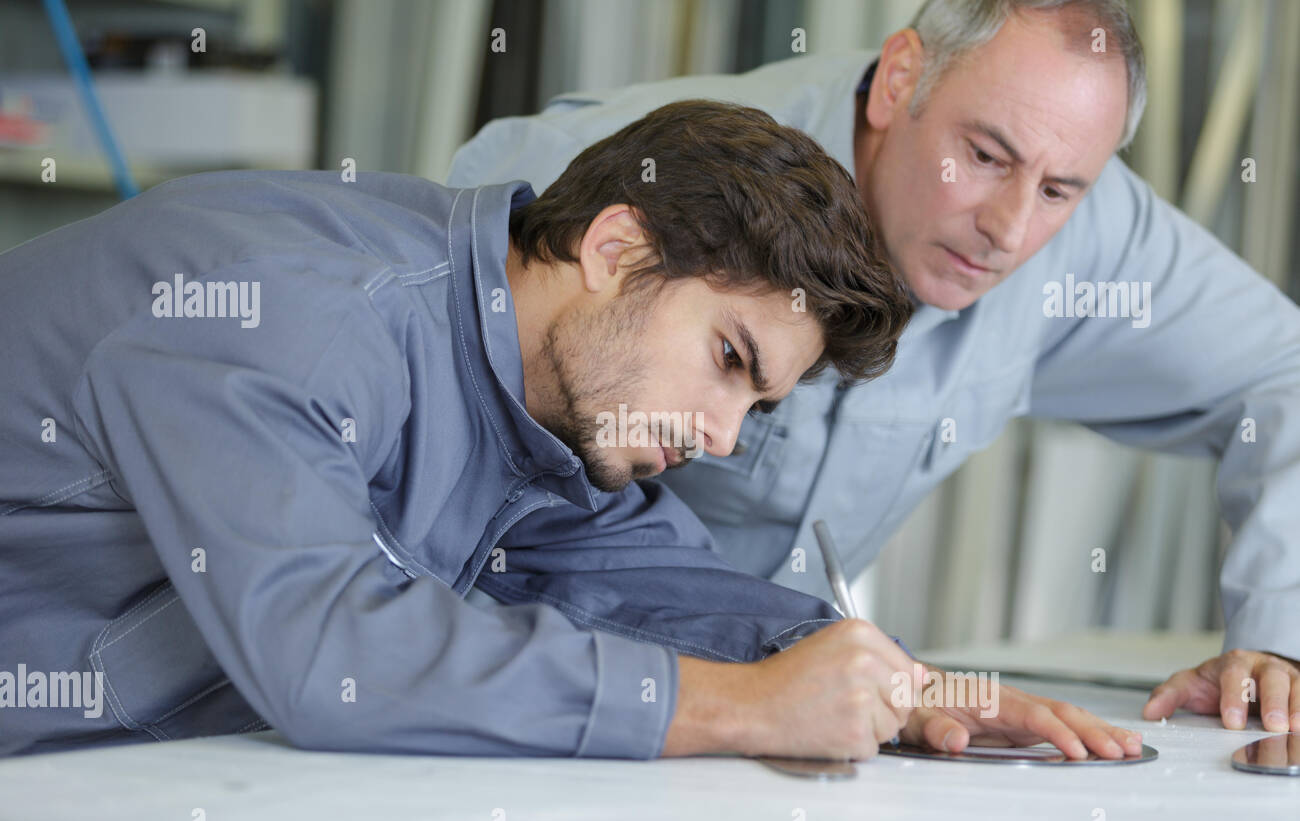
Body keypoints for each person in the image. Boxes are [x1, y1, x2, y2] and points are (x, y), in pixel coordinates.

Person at [0, 99, 1142, 760]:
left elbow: (653, 575)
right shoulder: (305, 313)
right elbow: (329, 650)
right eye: (729, 360)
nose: (719, 434)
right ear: (616, 251)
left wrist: (900, 683)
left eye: (758, 405)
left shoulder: (534, 396)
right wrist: (737, 708)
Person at [449, 0, 1300, 735]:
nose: (1008, 228)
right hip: (541, 703)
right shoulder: (647, 179)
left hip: (801, 716)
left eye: (1057, 190)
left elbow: (1284, 372)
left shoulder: (1089, 239)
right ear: (899, 80)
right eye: (985, 156)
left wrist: (1276, 632)